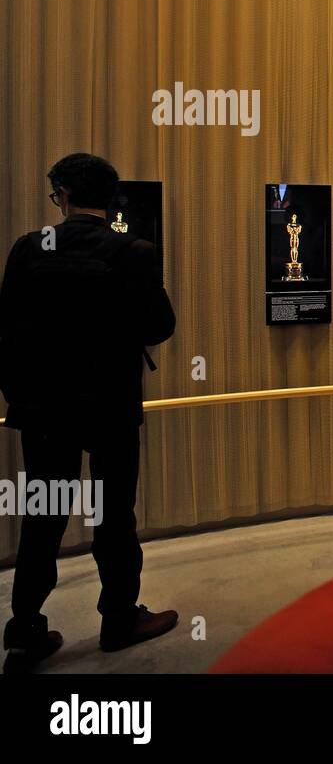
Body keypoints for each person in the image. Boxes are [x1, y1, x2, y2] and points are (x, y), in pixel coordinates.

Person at [0, 153, 178, 673]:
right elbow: (160, 326)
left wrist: (20, 394)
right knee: (114, 515)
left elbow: (6, 329)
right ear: (110, 198)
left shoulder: (29, 249)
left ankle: (25, 628)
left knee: (42, 515)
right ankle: (119, 617)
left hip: (44, 408)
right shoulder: (133, 251)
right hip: (110, 406)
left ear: (63, 195)